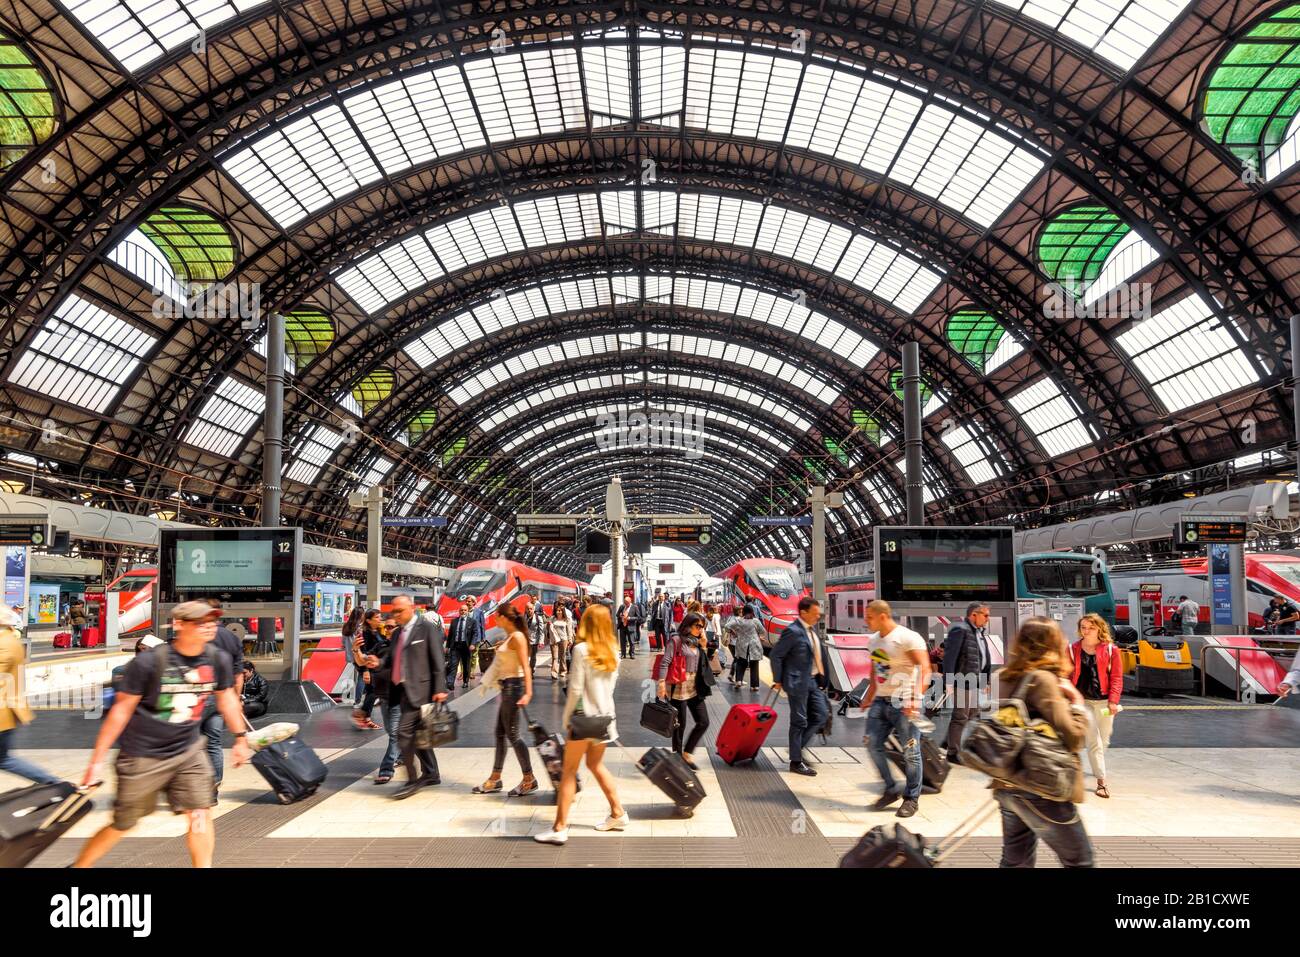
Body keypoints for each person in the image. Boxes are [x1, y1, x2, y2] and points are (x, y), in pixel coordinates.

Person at [73, 602, 250, 868]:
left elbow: (226, 699)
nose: (209, 627)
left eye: (212, 622)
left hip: (188, 751)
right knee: (124, 823)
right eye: (200, 622)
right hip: (143, 756)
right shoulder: (148, 662)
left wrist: (240, 737)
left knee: (200, 813)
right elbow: (120, 712)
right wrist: (95, 763)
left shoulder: (217, 659)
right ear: (178, 625)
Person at [992, 617, 1094, 868]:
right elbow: (1074, 736)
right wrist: (1077, 702)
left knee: (1015, 862)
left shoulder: (1004, 677)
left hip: (1008, 783)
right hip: (1041, 788)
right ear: (1052, 644)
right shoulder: (1044, 680)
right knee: (1081, 861)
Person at [535, 604, 627, 844]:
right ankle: (618, 813)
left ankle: (559, 827)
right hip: (605, 718)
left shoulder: (581, 650)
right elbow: (611, 687)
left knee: (568, 772)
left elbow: (575, 689)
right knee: (596, 765)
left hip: (583, 718)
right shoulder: (613, 650)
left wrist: (566, 719)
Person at [363, 595, 449, 799]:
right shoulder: (397, 634)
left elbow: (438, 660)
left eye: (399, 611)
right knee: (419, 736)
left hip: (422, 692)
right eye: (394, 611)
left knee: (403, 734)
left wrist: (440, 689)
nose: (396, 615)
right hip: (401, 692)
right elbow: (391, 659)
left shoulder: (426, 628)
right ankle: (431, 773)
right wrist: (378, 663)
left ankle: (411, 780)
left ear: (412, 608)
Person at [861, 599, 930, 817]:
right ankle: (890, 789)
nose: (866, 621)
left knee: (911, 752)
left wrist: (915, 699)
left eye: (869, 617)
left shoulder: (907, 638)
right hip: (881, 701)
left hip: (904, 702)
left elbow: (926, 668)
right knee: (872, 744)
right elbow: (876, 669)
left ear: (883, 616)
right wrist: (869, 695)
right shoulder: (873, 641)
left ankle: (911, 798)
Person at [472, 604, 538, 796]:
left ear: (504, 617)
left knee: (513, 735)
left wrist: (528, 692)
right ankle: (495, 778)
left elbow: (526, 666)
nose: (494, 619)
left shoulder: (517, 637)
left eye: (497, 616)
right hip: (507, 687)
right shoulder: (511, 637)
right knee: (501, 733)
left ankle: (529, 778)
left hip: (514, 688)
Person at [0, 605, 61, 785]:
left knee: (5, 760)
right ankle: (53, 783)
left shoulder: (4, 644)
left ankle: (53, 783)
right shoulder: (9, 639)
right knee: (4, 759)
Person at [771, 596, 829, 777]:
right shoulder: (793, 631)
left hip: (812, 680)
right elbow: (776, 655)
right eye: (815, 614)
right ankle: (796, 762)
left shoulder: (810, 630)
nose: (818, 617)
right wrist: (778, 679)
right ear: (803, 613)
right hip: (796, 682)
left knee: (821, 715)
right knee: (799, 721)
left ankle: (796, 747)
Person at [1069, 613, 1124, 799]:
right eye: (1083, 627)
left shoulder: (1110, 650)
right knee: (1094, 741)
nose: (1086, 631)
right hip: (1082, 701)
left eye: (1091, 627)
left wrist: (1114, 701)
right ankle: (1101, 781)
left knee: (1105, 739)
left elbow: (1116, 677)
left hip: (1104, 701)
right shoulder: (1073, 649)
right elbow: (1068, 676)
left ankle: (1097, 764)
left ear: (1099, 629)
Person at [653, 612, 714, 768]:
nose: (700, 630)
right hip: (678, 686)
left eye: (703, 627)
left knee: (703, 721)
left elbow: (703, 663)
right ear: (688, 625)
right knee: (680, 725)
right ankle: (678, 758)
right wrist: (661, 683)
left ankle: (687, 753)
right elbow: (665, 662)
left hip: (695, 687)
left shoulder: (698, 642)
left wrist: (704, 646)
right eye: (698, 626)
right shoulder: (676, 640)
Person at [200, 600, 245, 799]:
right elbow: (238, 675)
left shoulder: (194, 633)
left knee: (187, 743)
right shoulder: (231, 638)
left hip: (198, 698)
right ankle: (211, 792)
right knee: (213, 743)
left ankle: (191, 790)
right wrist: (236, 700)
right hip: (221, 697)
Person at [941, 602, 992, 764]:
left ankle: (949, 741)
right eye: (985, 615)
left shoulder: (978, 632)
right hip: (962, 681)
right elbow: (950, 657)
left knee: (973, 713)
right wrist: (948, 681)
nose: (988, 619)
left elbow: (983, 658)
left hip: (973, 682)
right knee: (961, 716)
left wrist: (985, 680)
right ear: (974, 615)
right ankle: (952, 752)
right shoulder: (960, 630)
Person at [350, 609, 386, 730]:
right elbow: (364, 653)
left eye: (380, 617)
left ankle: (366, 718)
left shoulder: (378, 632)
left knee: (373, 692)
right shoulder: (365, 634)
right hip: (369, 668)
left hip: (377, 668)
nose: (380, 619)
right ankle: (362, 715)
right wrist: (365, 670)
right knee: (373, 691)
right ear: (369, 620)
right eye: (377, 617)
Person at [727, 604, 765, 691]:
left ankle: (739, 681)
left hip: (742, 644)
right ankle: (754, 686)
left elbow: (727, 626)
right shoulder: (755, 621)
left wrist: (734, 632)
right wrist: (758, 635)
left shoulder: (739, 620)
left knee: (741, 662)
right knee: (754, 664)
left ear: (743, 612)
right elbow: (762, 631)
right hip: (754, 645)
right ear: (752, 612)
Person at [444, 597, 478, 689]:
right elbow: (450, 634)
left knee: (466, 665)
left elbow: (475, 633)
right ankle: (450, 683)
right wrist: (447, 646)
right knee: (453, 664)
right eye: (461, 610)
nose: (463, 612)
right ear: (459, 611)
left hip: (466, 646)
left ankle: (465, 681)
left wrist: (472, 644)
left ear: (467, 611)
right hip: (455, 646)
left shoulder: (472, 622)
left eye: (465, 610)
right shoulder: (454, 621)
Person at [342, 606, 366, 710]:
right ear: (361, 615)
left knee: (363, 676)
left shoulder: (346, 626)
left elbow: (343, 642)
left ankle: (363, 697)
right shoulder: (359, 628)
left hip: (350, 656)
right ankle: (358, 700)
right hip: (359, 655)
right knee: (362, 676)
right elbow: (362, 643)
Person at [549, 598, 575, 681]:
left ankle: (563, 670)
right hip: (554, 640)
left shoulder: (567, 619)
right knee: (555, 657)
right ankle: (554, 672)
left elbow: (569, 630)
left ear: (562, 611)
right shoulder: (552, 619)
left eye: (560, 610)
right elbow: (548, 628)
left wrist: (570, 640)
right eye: (557, 610)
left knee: (562, 656)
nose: (558, 612)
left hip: (564, 639)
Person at [525, 595, 545, 675]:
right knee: (526, 657)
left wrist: (541, 641)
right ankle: (527, 670)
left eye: (531, 609)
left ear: (533, 609)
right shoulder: (524, 617)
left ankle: (531, 670)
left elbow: (541, 630)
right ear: (525, 609)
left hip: (534, 641)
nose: (529, 611)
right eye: (528, 609)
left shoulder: (538, 618)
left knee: (533, 657)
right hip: (526, 640)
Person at [616, 594, 641, 659]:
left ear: (630, 602)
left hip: (630, 626)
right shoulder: (622, 606)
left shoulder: (635, 607)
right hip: (622, 626)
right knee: (622, 641)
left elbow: (638, 617)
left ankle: (631, 654)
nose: (625, 604)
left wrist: (630, 618)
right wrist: (620, 615)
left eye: (627, 603)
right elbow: (617, 614)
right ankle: (623, 654)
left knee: (631, 641)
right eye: (625, 602)